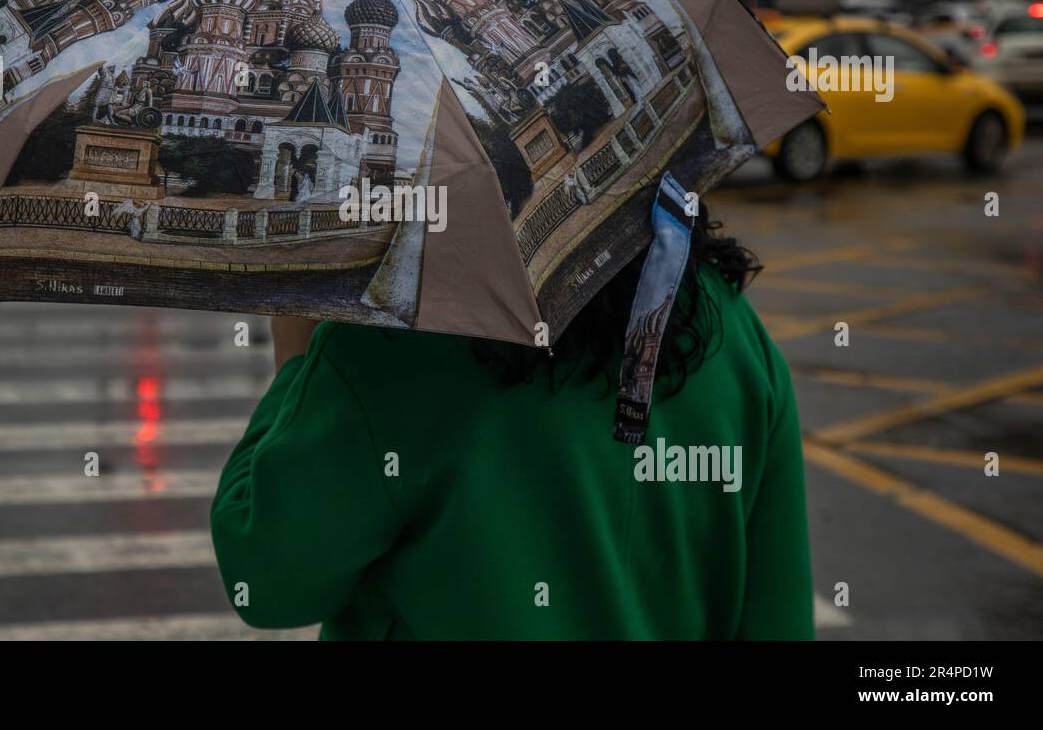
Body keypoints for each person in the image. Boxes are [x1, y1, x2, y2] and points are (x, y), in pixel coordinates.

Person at [209, 204, 813, 640]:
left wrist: (297, 361)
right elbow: (777, 620)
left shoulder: (390, 349)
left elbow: (267, 580)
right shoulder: (729, 333)